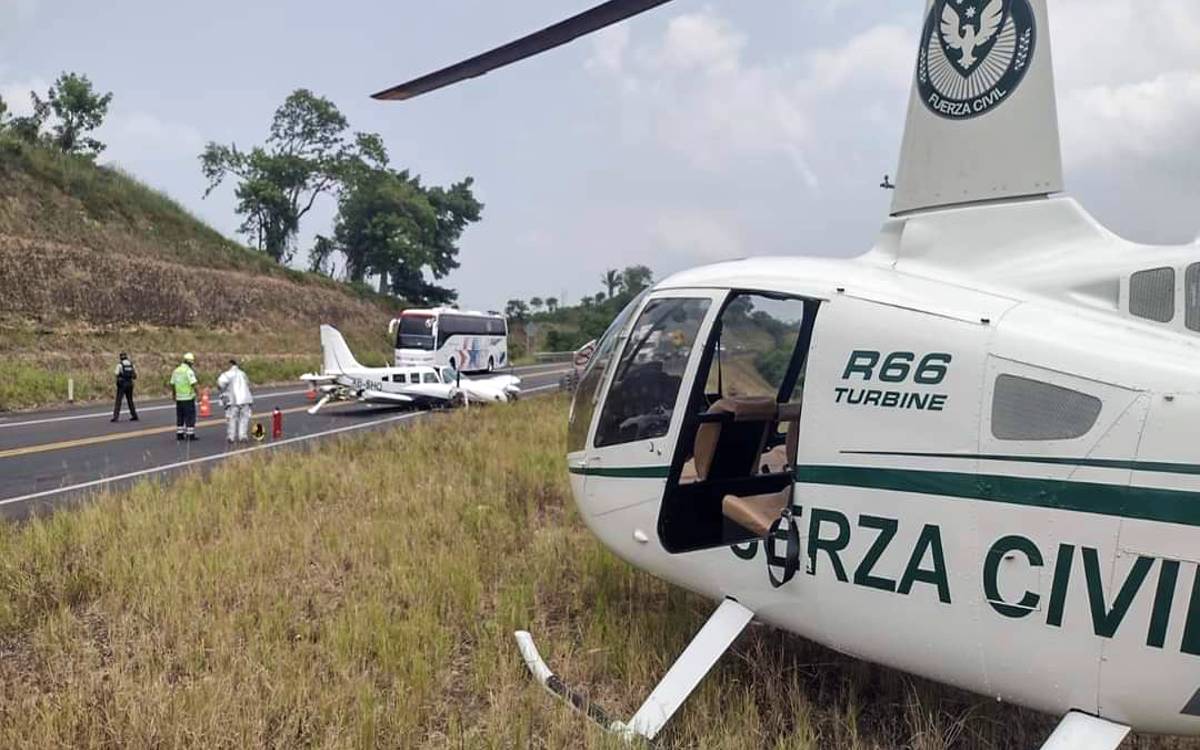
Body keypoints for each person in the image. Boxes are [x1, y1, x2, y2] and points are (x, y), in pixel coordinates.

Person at [216, 359, 254, 444]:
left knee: (232, 418)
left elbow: (220, 384)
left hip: (234, 400)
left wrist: (221, 390)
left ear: (230, 364)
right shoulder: (243, 373)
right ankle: (242, 436)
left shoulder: (227, 374)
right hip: (246, 399)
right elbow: (248, 383)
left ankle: (231, 437)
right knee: (244, 418)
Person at [170, 352, 199, 441]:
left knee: (180, 416)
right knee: (190, 416)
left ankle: (180, 434)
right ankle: (190, 434)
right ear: (190, 362)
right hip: (188, 398)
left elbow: (172, 384)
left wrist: (174, 394)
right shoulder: (188, 371)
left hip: (179, 398)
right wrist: (199, 394)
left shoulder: (176, 370)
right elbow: (194, 384)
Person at [111, 352, 139, 422]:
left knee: (118, 400)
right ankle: (134, 415)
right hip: (130, 383)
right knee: (130, 400)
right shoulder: (131, 364)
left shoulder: (120, 365)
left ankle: (115, 417)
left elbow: (116, 373)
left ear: (120, 357)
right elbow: (135, 375)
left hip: (122, 384)